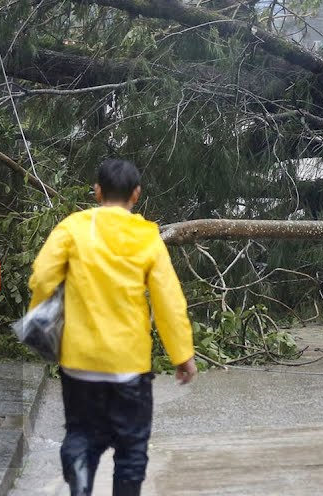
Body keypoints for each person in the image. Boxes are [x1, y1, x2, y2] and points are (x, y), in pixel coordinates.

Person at [28, 159, 197, 496]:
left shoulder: (73, 227)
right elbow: (169, 302)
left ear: (97, 191)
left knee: (80, 435)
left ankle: (79, 476)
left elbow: (42, 277)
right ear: (136, 194)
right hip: (128, 366)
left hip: (79, 362)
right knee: (131, 448)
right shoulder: (147, 237)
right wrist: (182, 356)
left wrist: (40, 319)